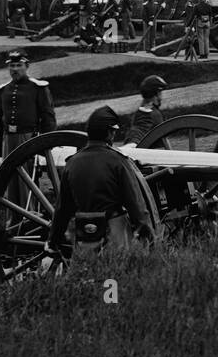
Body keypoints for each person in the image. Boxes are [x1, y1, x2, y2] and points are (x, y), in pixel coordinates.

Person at [46, 107, 156, 259]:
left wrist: (53, 240)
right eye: (113, 131)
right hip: (115, 232)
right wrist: (149, 239)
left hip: (83, 236)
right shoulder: (118, 161)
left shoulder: (71, 163)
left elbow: (62, 208)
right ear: (109, 133)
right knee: (118, 275)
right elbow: (135, 204)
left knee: (91, 275)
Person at [0, 50, 57, 162]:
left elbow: (49, 119)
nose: (15, 69)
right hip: (8, 141)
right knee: (8, 177)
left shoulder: (38, 88)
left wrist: (44, 147)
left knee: (27, 176)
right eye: (12, 66)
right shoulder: (3, 90)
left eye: (19, 65)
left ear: (27, 66)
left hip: (29, 140)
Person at [125, 75, 168, 145]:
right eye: (161, 93)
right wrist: (131, 144)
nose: (162, 97)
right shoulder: (148, 112)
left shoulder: (146, 108)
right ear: (156, 94)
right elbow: (140, 128)